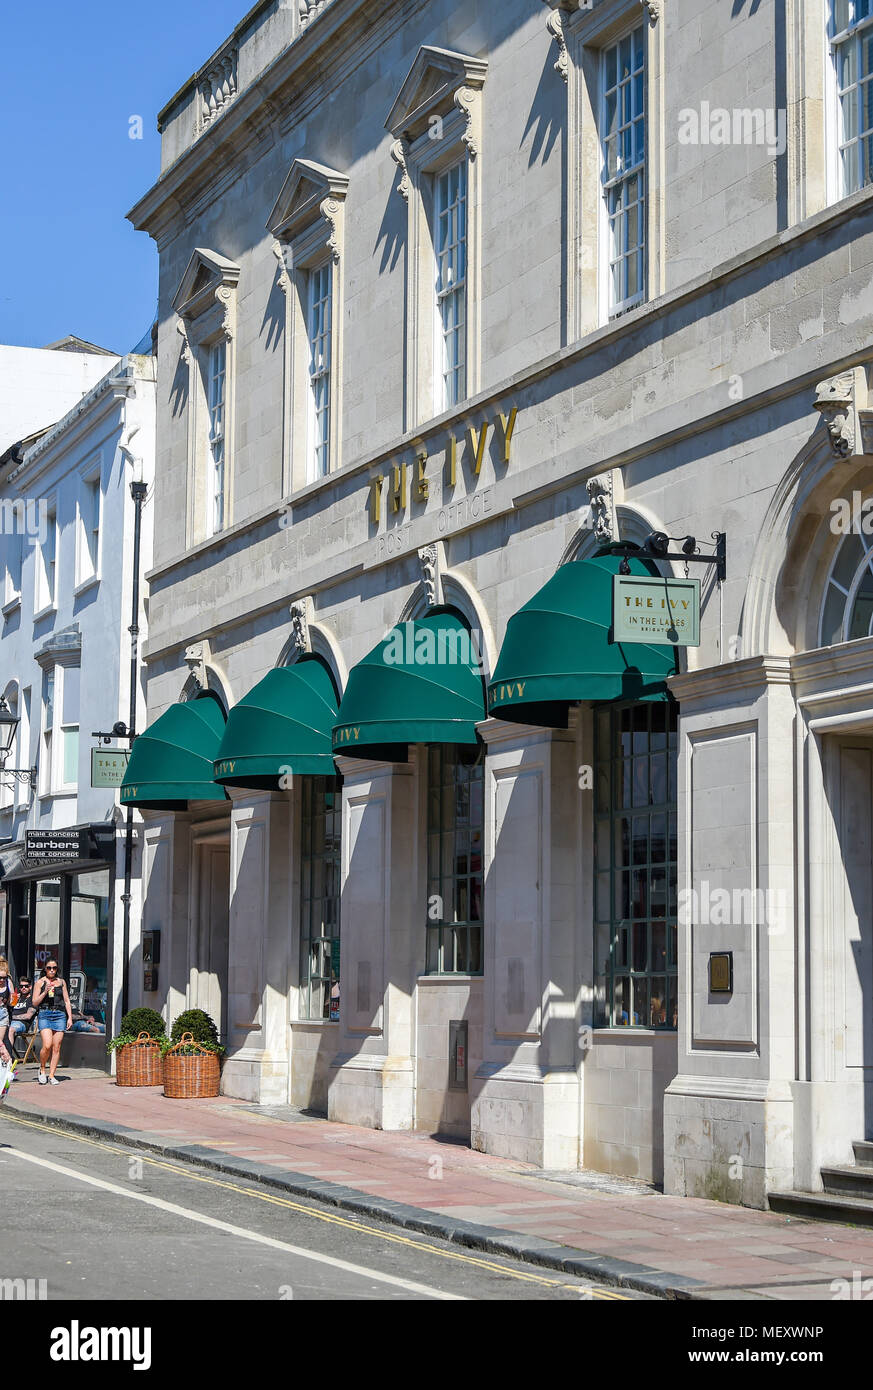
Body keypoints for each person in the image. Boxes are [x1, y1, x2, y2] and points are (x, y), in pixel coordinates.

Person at [32, 960, 72, 1086]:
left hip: (59, 1014)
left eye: (54, 968)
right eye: (49, 968)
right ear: (45, 968)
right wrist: (45, 991)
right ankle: (42, 1069)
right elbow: (34, 1002)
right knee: (47, 1045)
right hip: (45, 1013)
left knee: (56, 1047)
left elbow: (66, 1000)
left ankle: (52, 1075)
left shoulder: (61, 982)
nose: (52, 970)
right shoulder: (40, 982)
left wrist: (70, 1017)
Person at [9, 976, 36, 1069]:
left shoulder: (32, 999)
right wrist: (13, 1000)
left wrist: (11, 1017)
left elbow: (28, 1016)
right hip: (10, 1022)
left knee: (11, 1029)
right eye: (21, 986)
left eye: (26, 986)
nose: (23, 988)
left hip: (22, 1024)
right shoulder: (17, 998)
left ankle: (8, 1056)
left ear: (30, 987)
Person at [0, 958, 17, 1066]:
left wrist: (14, 999)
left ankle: (5, 1063)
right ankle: (8, 1059)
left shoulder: (8, 982)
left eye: (4, 977)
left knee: (0, 1041)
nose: (2, 980)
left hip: (3, 1013)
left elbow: (12, 1003)